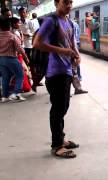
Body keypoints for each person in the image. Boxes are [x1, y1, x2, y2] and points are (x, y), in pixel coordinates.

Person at [33, 0, 80, 158]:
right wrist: (63, 51)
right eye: (65, 2)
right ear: (56, 3)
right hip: (54, 72)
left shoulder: (69, 22)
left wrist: (76, 55)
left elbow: (71, 43)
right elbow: (37, 43)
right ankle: (57, 145)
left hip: (66, 70)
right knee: (58, 109)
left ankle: (61, 138)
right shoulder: (50, 21)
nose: (69, 6)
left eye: (71, 2)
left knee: (63, 106)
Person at [0, 17, 29, 102]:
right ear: (9, 26)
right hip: (11, 58)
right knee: (20, 75)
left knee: (5, 77)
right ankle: (16, 93)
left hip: (1, 59)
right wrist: (26, 58)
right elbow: (20, 49)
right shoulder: (12, 36)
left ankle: (4, 97)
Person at [11, 17, 32, 93]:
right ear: (14, 24)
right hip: (17, 54)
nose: (19, 24)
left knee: (22, 70)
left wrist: (22, 35)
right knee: (22, 70)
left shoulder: (16, 31)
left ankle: (21, 87)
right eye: (18, 23)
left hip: (19, 53)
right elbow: (17, 45)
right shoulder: (12, 33)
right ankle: (21, 87)